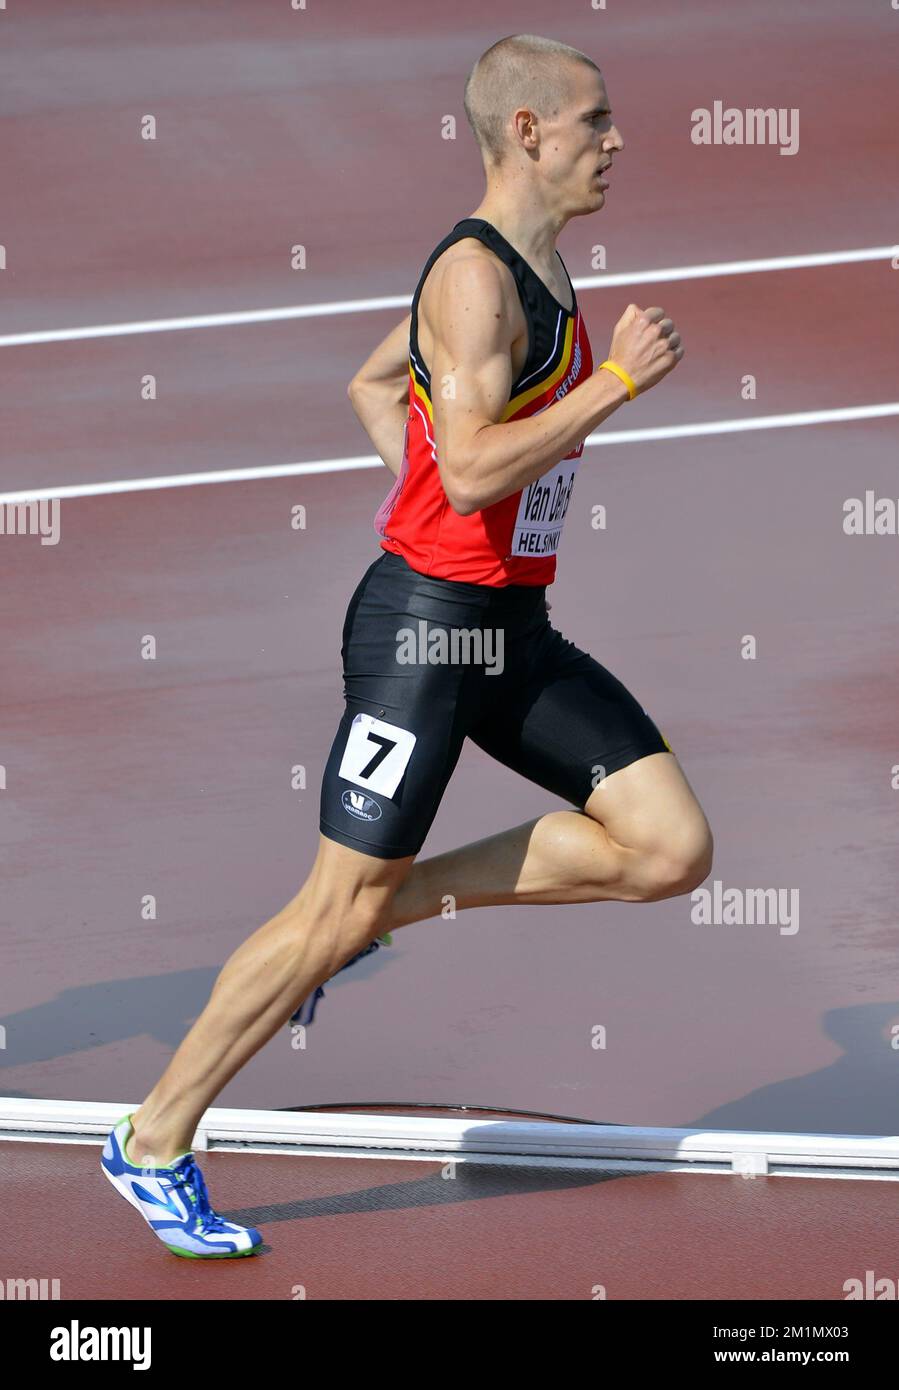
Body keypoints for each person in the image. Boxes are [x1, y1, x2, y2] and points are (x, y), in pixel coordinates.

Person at [101, 33, 713, 1258]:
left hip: (506, 628)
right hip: (423, 638)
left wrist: (444, 510)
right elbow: (479, 455)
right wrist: (610, 391)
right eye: (594, 120)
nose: (616, 140)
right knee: (328, 905)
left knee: (667, 846)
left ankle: (399, 905)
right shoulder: (474, 281)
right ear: (528, 131)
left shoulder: (535, 263)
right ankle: (152, 1140)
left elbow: (378, 390)